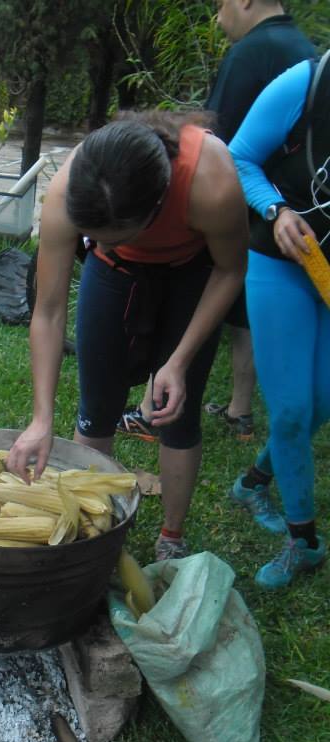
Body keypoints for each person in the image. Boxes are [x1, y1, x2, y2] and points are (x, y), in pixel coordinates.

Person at [6, 112, 247, 560]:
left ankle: (171, 538)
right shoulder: (69, 191)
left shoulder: (211, 179)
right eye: (93, 237)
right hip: (113, 279)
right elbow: (50, 309)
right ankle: (94, 534)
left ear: (155, 207)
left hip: (192, 274)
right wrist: (41, 418)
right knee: (96, 408)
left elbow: (231, 271)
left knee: (177, 411)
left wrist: (177, 361)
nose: (103, 241)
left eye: (115, 236)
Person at [117, 0, 314, 443]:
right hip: (286, 216)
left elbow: (211, 138)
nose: (218, 13)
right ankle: (239, 409)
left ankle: (155, 406)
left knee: (191, 299)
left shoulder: (251, 52)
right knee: (245, 310)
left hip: (238, 203)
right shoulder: (305, 50)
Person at [228, 54, 330, 588]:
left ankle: (253, 482)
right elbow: (239, 157)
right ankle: (304, 541)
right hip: (281, 262)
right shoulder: (305, 83)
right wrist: (276, 209)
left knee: (322, 401)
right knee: (291, 408)